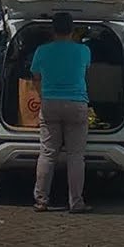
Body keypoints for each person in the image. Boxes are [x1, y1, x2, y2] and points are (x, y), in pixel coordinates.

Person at [30, 11, 92, 214]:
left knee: (48, 154)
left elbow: (36, 77)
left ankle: (41, 200)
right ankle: (76, 202)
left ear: (52, 30)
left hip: (50, 104)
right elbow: (85, 72)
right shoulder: (84, 50)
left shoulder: (41, 51)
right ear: (72, 29)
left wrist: (43, 95)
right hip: (77, 104)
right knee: (76, 156)